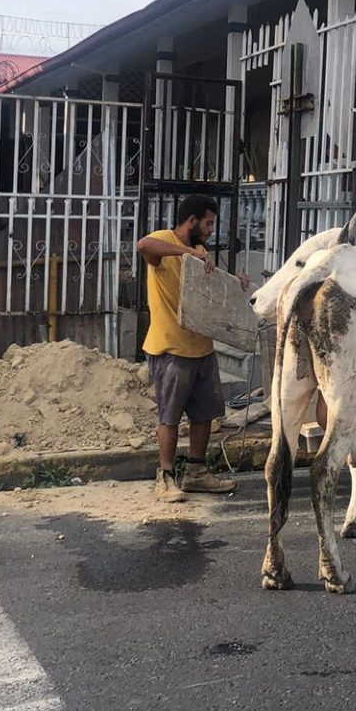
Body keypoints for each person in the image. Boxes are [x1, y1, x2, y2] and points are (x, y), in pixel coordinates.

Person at [137, 195, 247, 502]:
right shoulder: (165, 241)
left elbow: (211, 295)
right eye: (208, 222)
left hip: (201, 348)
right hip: (170, 348)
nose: (212, 229)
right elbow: (143, 246)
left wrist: (234, 284)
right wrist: (188, 253)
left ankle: (196, 473)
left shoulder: (200, 252)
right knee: (169, 417)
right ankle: (166, 475)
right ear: (192, 221)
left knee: (204, 415)